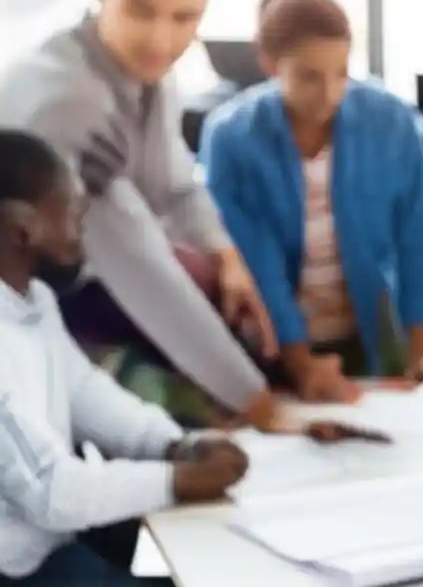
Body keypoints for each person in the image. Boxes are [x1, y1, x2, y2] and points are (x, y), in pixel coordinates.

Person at [0, 0, 282, 426]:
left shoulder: (144, 70)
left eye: (185, 16)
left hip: (81, 296)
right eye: (142, 11)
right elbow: (137, 262)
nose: (163, 38)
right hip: (28, 323)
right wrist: (257, 403)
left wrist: (226, 257)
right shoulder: (67, 97)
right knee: (200, 422)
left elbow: (174, 185)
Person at [0, 130, 249, 584]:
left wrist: (174, 444)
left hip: (51, 541)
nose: (81, 233)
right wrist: (178, 480)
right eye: (73, 214)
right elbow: (48, 488)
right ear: (23, 229)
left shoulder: (32, 299)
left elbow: (82, 390)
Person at [200, 0, 423, 400]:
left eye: (341, 72)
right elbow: (258, 265)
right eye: (309, 77)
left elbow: (416, 242)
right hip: (273, 344)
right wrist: (302, 367)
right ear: (269, 64)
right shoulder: (231, 139)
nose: (330, 93)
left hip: (370, 331)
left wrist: (417, 358)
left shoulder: (391, 122)